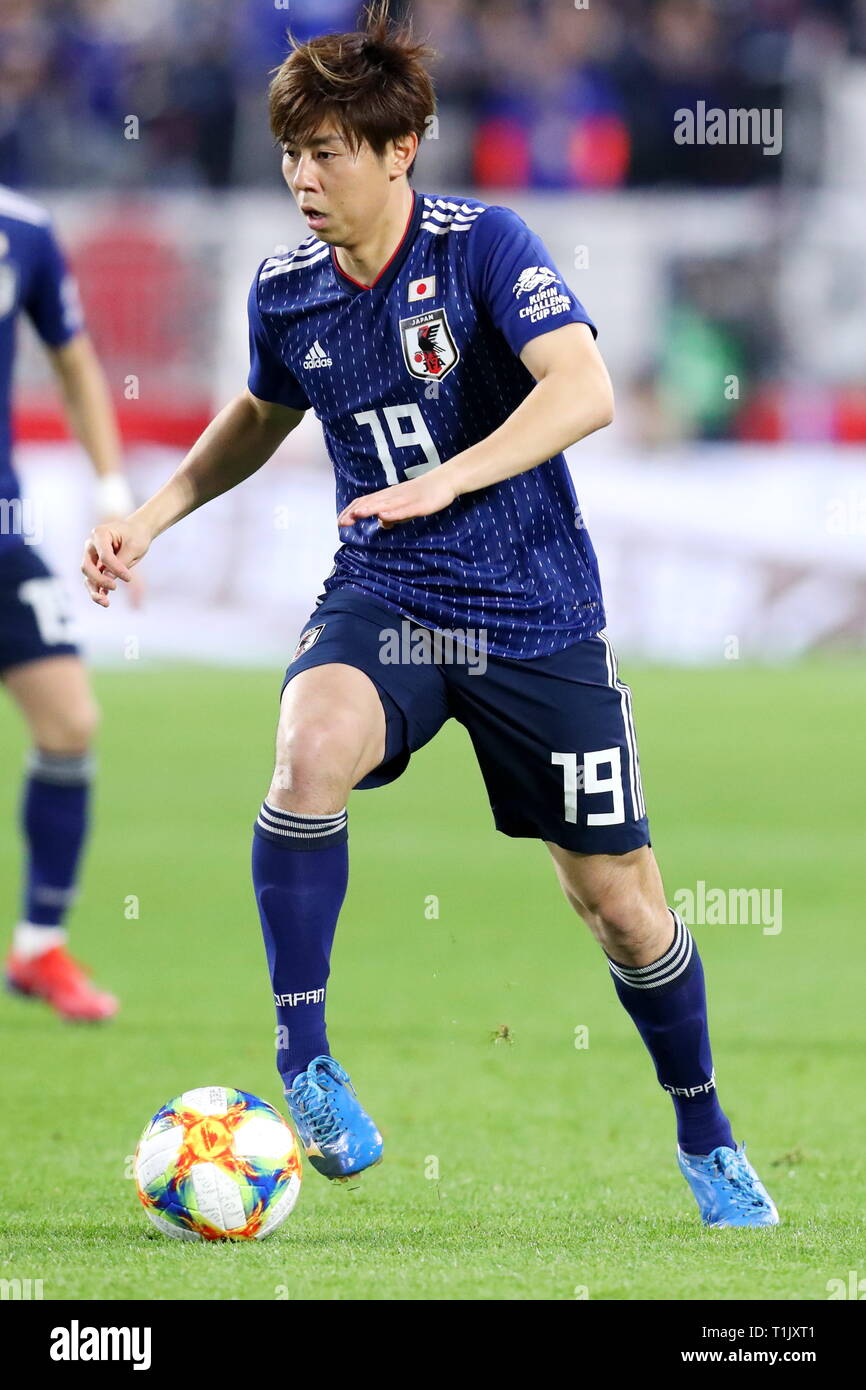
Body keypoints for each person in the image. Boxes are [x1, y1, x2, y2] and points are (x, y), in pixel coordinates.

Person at [81, 4, 777, 1226]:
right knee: (305, 753)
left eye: (330, 151)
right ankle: (305, 1058)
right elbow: (259, 416)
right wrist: (153, 512)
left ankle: (704, 1132)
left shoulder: (482, 246)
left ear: (401, 148)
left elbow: (587, 387)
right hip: (386, 594)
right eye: (292, 152)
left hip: (532, 609)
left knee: (620, 907)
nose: (304, 176)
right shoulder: (288, 289)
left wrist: (453, 474)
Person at [2, 183, 135, 1021]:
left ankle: (39, 946)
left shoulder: (25, 229)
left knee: (70, 721)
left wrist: (112, 490)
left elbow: (76, 361)